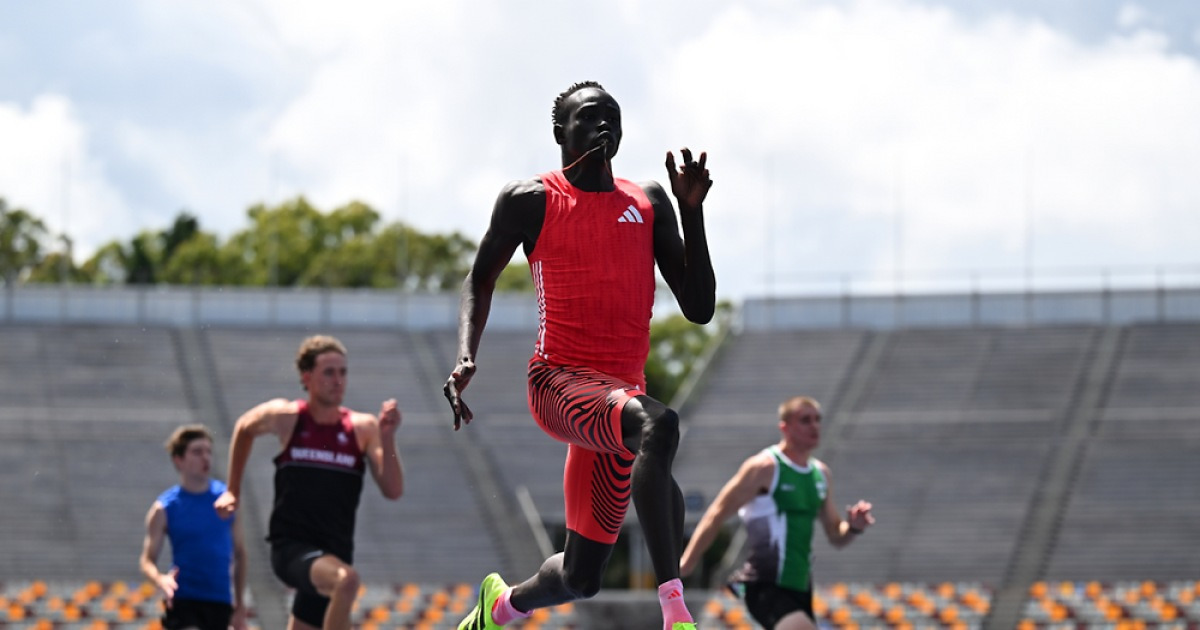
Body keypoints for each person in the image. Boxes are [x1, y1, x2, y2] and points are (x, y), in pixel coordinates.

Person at [443, 80, 717, 630]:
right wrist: (466, 355)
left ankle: (499, 606)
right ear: (560, 132)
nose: (603, 123)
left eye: (612, 115)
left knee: (581, 575)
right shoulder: (530, 200)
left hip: (620, 397)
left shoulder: (648, 201)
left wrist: (691, 213)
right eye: (589, 115)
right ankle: (676, 612)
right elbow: (480, 279)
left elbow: (700, 307)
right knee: (659, 427)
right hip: (558, 383)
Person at [214, 335, 404, 630]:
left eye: (342, 372)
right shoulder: (288, 417)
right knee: (347, 581)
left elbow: (392, 489)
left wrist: (388, 438)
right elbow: (244, 428)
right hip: (292, 548)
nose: (337, 381)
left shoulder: (362, 428)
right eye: (328, 372)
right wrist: (232, 490)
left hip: (335, 553)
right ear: (307, 377)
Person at [679, 396, 875, 630]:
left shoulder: (821, 474)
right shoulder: (764, 467)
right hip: (765, 583)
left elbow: (836, 536)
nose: (814, 426)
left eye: (817, 419)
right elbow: (716, 513)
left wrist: (853, 527)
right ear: (785, 428)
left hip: (801, 586)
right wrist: (685, 564)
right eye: (805, 420)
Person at [140, 424, 248, 630]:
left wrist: (240, 605)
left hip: (220, 601)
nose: (205, 457)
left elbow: (240, 554)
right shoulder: (165, 508)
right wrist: (161, 579)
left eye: (208, 451)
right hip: (184, 599)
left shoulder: (227, 500)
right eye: (197, 452)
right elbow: (147, 560)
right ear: (178, 460)